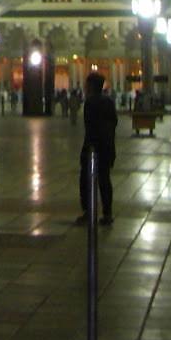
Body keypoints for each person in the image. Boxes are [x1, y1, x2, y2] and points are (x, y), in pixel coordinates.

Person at [76, 72, 116, 226]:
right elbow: (114, 124)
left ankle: (88, 212)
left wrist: (87, 149)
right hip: (107, 146)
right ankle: (107, 213)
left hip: (93, 147)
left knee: (86, 181)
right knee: (105, 180)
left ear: (91, 86)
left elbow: (90, 128)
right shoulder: (109, 102)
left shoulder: (90, 103)